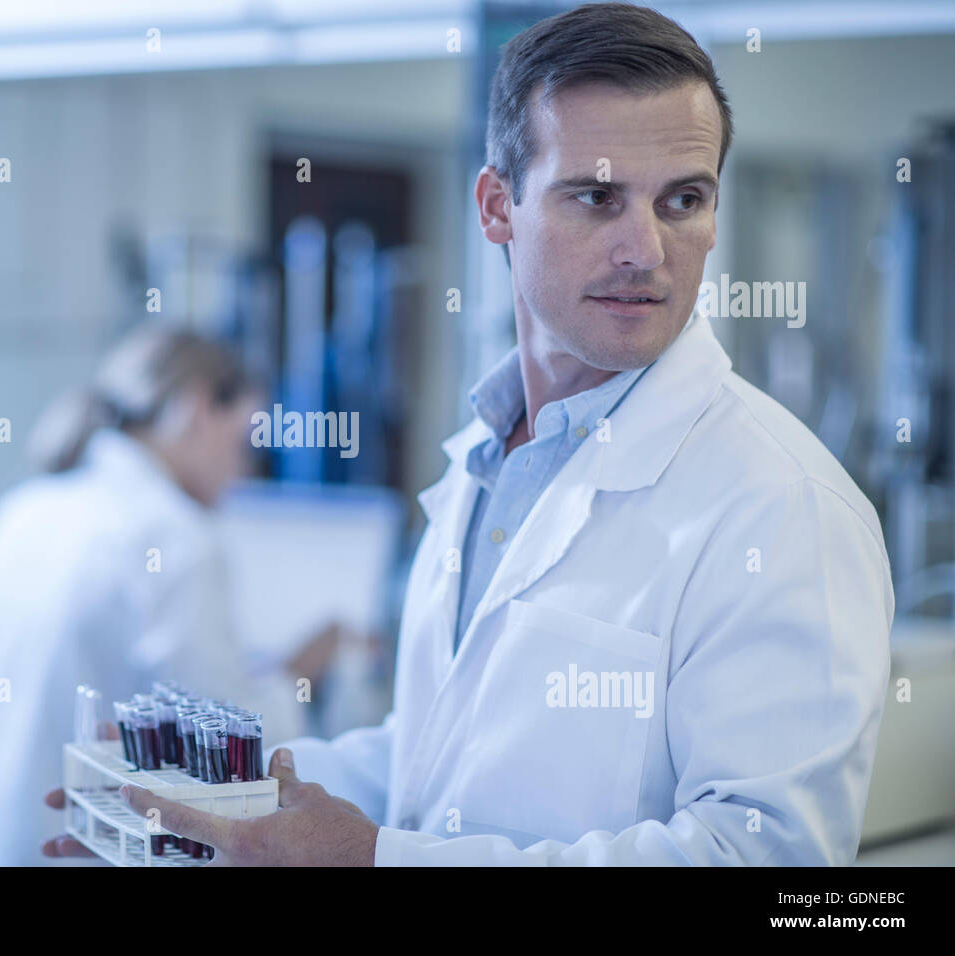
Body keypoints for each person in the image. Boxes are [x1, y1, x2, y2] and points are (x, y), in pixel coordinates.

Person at [58, 3, 894, 865]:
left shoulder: (783, 506)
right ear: (498, 206)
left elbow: (768, 868)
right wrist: (212, 803)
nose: (646, 249)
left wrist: (378, 862)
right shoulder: (487, 464)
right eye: (597, 197)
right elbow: (431, 764)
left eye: (683, 200)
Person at [0, 326, 336, 866]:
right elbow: (229, 750)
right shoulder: (173, 534)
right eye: (242, 441)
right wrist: (300, 674)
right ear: (196, 408)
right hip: (82, 849)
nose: (243, 469)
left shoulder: (26, 507)